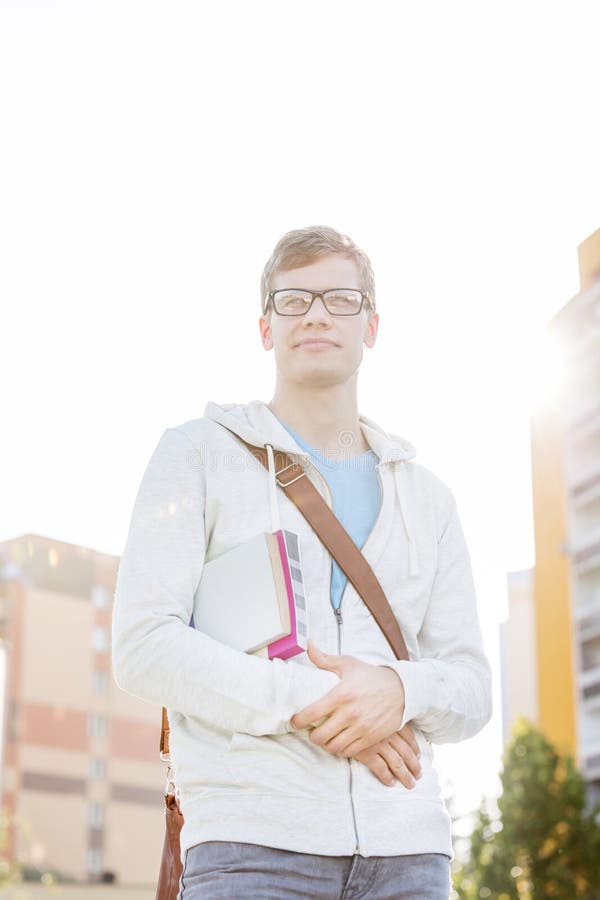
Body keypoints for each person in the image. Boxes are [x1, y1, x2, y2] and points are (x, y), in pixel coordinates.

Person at [111, 225, 492, 899]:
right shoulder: (195, 455)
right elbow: (144, 647)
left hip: (411, 854)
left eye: (341, 299)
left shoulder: (429, 498)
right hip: (249, 848)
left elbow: (471, 687)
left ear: (372, 325)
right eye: (294, 300)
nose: (317, 313)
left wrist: (399, 692)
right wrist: (324, 703)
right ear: (265, 328)